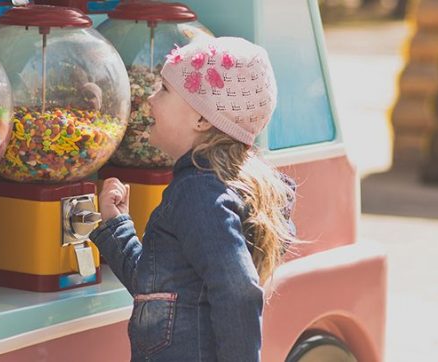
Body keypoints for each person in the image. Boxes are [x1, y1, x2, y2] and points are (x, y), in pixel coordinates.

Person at [89, 37, 298, 361]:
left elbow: (237, 291)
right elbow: (156, 292)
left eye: (164, 90)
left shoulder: (199, 193)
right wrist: (117, 227)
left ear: (202, 119)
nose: (150, 99)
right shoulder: (205, 189)